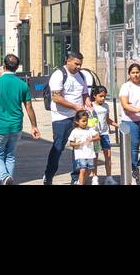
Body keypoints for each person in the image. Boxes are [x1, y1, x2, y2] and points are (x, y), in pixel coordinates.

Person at [0, 54, 40, 185]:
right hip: (16, 126)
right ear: (16, 68)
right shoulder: (22, 85)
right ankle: (7, 180)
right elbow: (29, 107)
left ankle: (4, 177)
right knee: (10, 155)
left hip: (0, 126)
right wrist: (34, 126)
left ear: (3, 66)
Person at [43, 51, 92, 185]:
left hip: (77, 118)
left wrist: (87, 102)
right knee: (58, 147)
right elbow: (56, 97)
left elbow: (85, 94)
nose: (78, 67)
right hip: (61, 117)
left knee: (79, 147)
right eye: (76, 64)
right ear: (68, 61)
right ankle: (49, 175)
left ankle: (75, 178)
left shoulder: (81, 75)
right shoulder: (59, 74)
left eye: (80, 65)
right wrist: (75, 107)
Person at [88, 86, 117, 184]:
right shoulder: (90, 106)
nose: (103, 98)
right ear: (95, 96)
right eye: (100, 96)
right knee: (95, 156)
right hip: (95, 134)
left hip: (104, 134)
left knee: (108, 155)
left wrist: (117, 125)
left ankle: (109, 177)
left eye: (104, 96)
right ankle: (94, 177)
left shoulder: (106, 106)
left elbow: (107, 119)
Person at [67, 110, 98, 186]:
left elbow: (97, 137)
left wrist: (91, 139)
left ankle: (80, 182)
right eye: (83, 121)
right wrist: (76, 144)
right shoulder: (75, 131)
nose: (85, 123)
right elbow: (70, 143)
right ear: (77, 122)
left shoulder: (90, 130)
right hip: (80, 154)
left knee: (90, 170)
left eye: (86, 121)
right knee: (83, 170)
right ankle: (81, 183)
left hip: (90, 154)